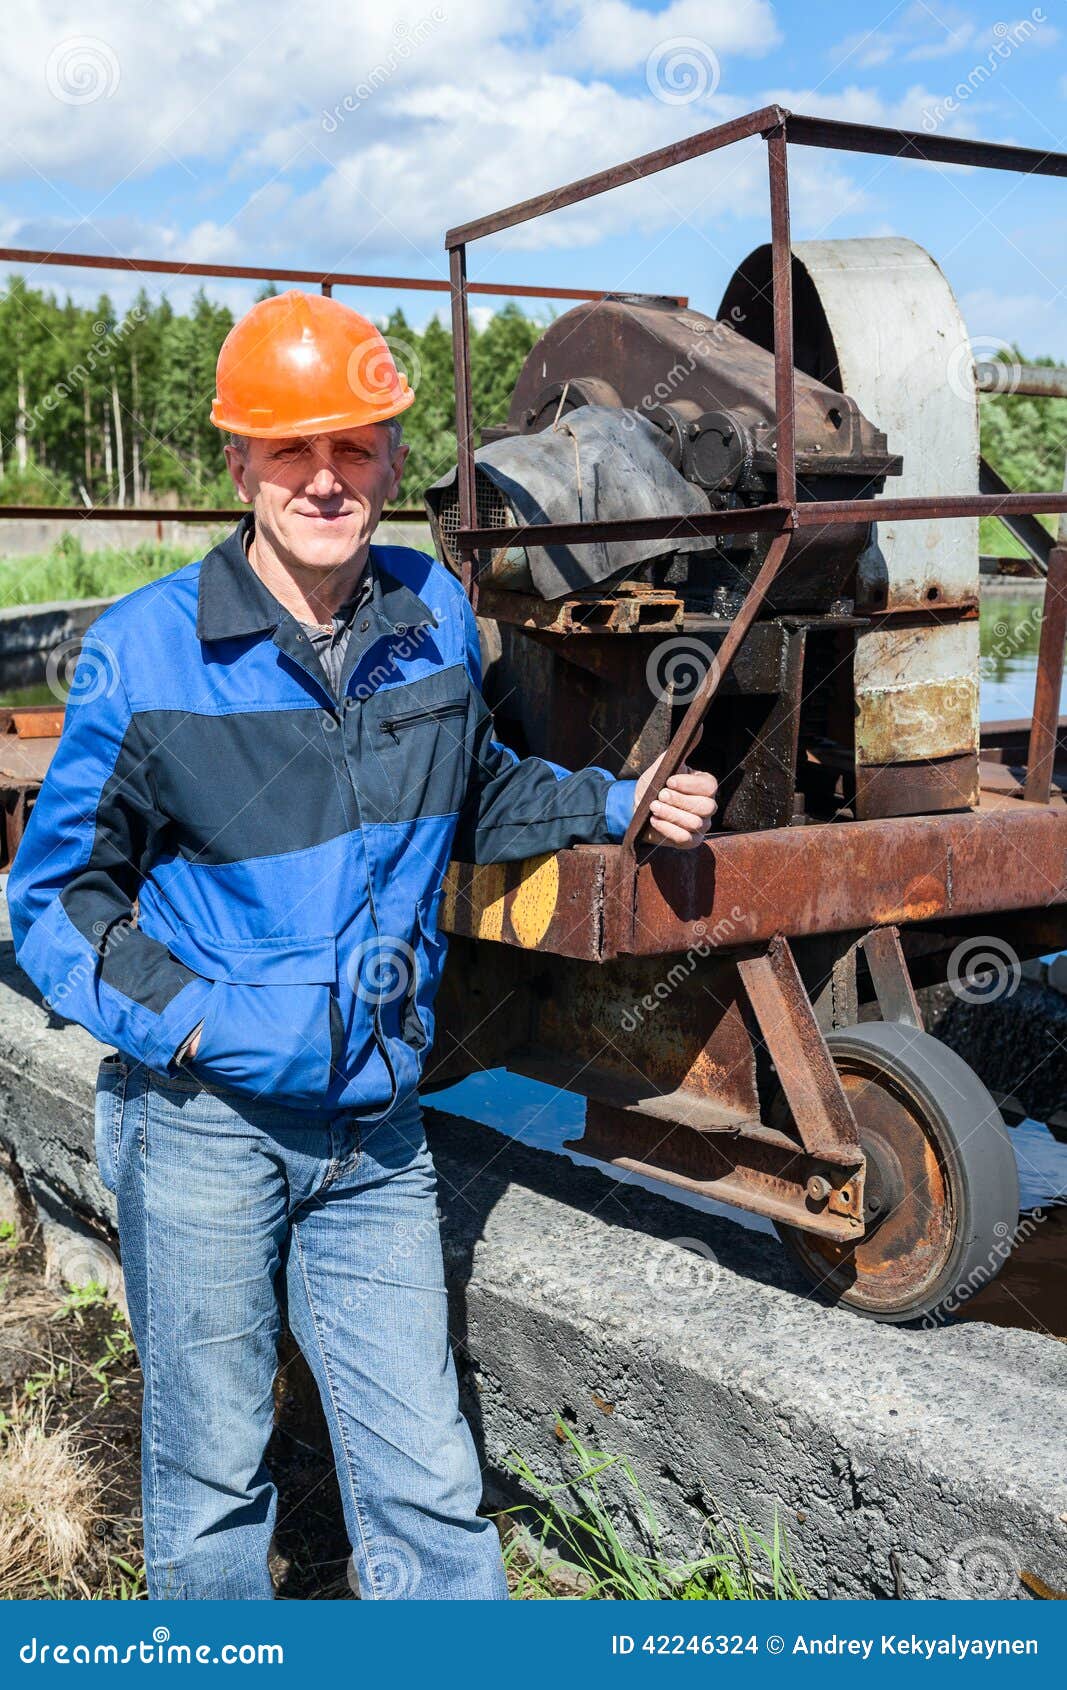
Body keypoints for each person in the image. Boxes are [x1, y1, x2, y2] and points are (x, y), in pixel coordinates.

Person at [7, 291, 718, 1600]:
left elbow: (478, 791)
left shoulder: (432, 617)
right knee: (215, 1484)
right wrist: (203, 1021)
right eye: (292, 449)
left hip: (378, 1135)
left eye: (355, 446)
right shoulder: (148, 651)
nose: (326, 478)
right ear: (238, 464)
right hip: (206, 1126)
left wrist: (619, 802)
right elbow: (55, 905)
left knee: (431, 1491)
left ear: (395, 458)